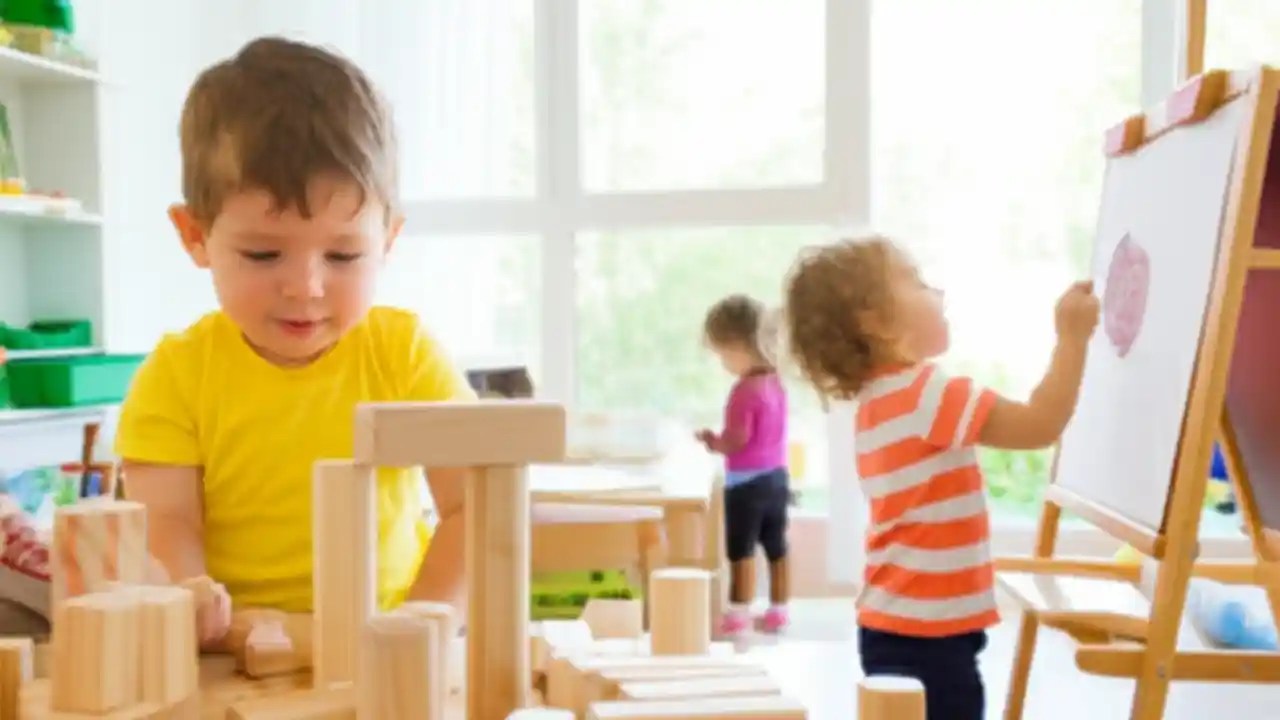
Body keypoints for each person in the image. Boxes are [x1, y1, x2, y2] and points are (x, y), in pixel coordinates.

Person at [114, 36, 474, 648]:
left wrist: (426, 622)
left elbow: (474, 507)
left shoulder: (404, 353)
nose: (305, 287)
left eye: (343, 254)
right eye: (262, 253)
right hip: (237, 652)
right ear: (194, 235)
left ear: (388, 237)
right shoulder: (176, 374)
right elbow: (166, 521)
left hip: (388, 643)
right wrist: (188, 589)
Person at [782, 235, 1099, 720]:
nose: (938, 292)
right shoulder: (925, 395)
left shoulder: (875, 403)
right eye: (917, 280)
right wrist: (1072, 339)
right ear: (873, 319)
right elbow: (1041, 424)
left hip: (895, 624)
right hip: (926, 634)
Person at [695, 294, 791, 637]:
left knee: (742, 550)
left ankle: (739, 611)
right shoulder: (777, 383)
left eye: (723, 354)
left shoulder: (743, 391)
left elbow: (738, 439)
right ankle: (780, 609)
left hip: (745, 484)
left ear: (738, 346)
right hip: (778, 478)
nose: (723, 363)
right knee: (777, 547)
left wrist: (712, 441)